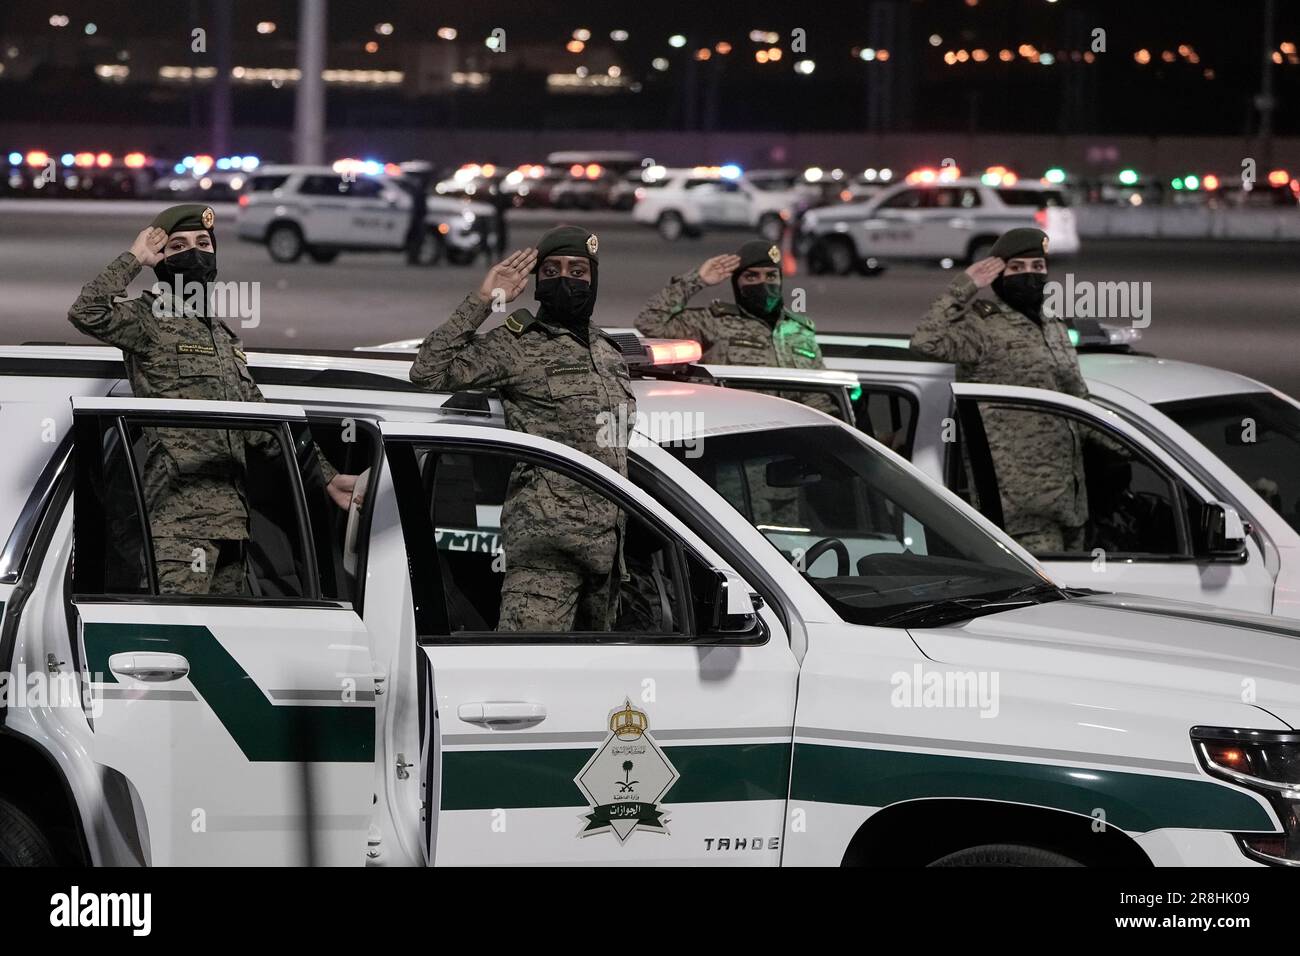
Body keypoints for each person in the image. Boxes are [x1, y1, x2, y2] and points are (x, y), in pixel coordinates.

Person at [68, 204, 357, 595]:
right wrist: (135, 258)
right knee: (177, 646)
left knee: (219, 648)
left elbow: (259, 421)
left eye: (203, 243)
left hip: (233, 525)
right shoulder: (148, 319)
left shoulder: (221, 334)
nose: (195, 253)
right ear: (161, 260)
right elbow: (87, 311)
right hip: (178, 523)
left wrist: (328, 478)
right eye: (178, 246)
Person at [409, 225, 634, 632]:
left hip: (607, 558)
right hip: (545, 555)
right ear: (536, 281)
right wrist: (484, 300)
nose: (566, 279)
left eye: (578, 270)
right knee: (529, 676)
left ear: (593, 279)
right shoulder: (517, 345)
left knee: (593, 689)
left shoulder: (608, 351)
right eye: (551, 271)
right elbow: (427, 372)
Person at [911, 226, 1090, 553]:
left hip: (1069, 501)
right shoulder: (981, 327)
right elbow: (926, 341)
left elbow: (1078, 399)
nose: (1029, 276)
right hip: (1018, 508)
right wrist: (965, 286)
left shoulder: (1054, 326)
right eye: (1017, 268)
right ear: (997, 274)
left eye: (1038, 267)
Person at [635, 239, 839, 417]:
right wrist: (697, 279)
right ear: (736, 283)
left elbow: (818, 396)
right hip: (738, 436)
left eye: (771, 276)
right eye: (751, 277)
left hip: (791, 441)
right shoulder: (714, 323)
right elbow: (649, 320)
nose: (763, 283)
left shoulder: (800, 331)